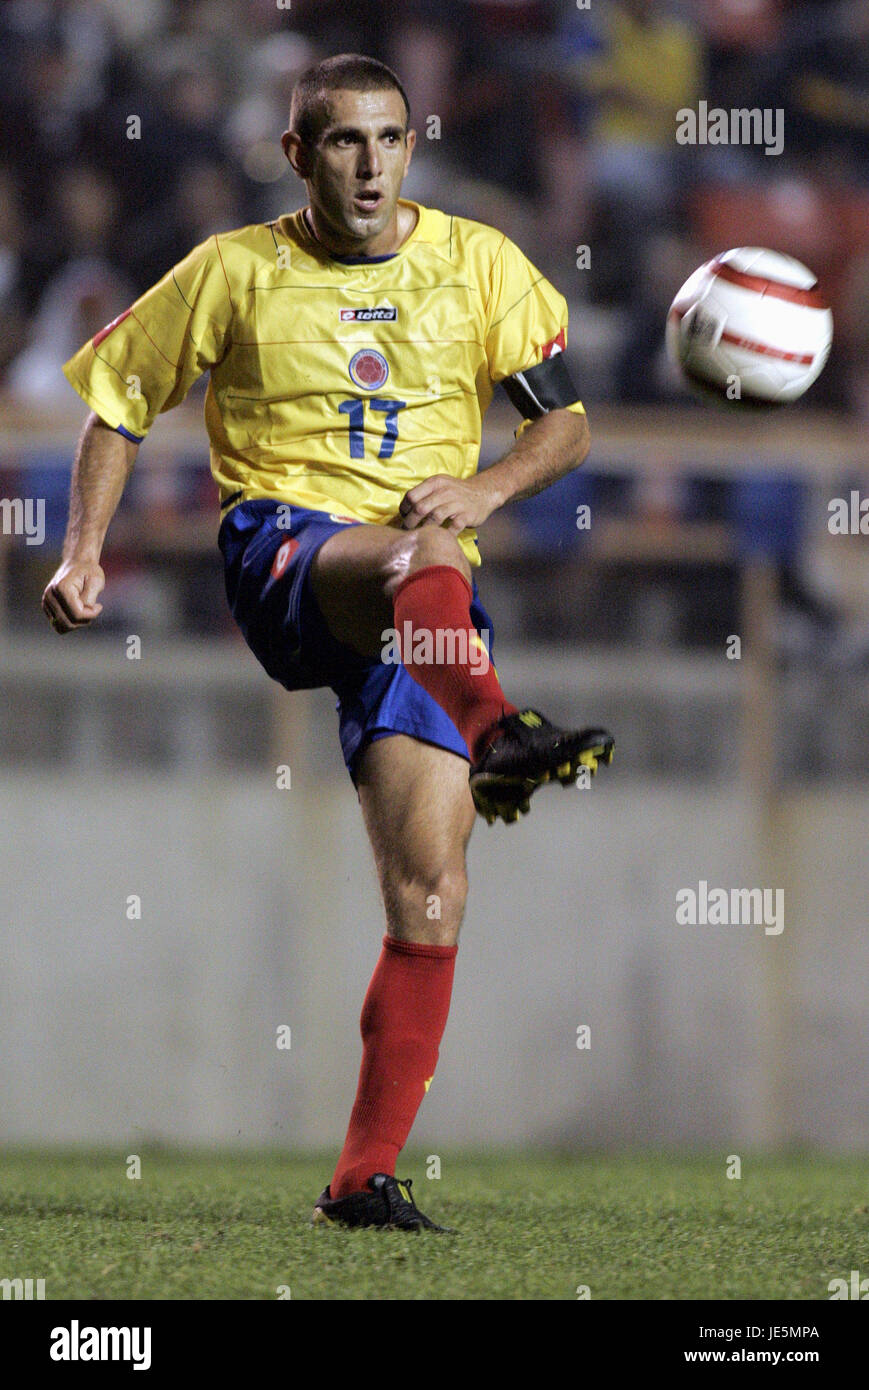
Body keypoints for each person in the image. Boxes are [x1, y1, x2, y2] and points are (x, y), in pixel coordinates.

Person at [42, 53, 614, 1233]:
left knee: (431, 894)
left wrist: (490, 484)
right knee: (417, 554)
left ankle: (361, 1180)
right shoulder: (234, 268)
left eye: (388, 138)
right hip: (294, 553)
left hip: (428, 610)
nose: (368, 162)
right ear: (296, 154)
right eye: (342, 141)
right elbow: (120, 401)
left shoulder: (478, 263)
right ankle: (501, 729)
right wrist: (82, 549)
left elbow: (563, 422)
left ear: (413, 145)